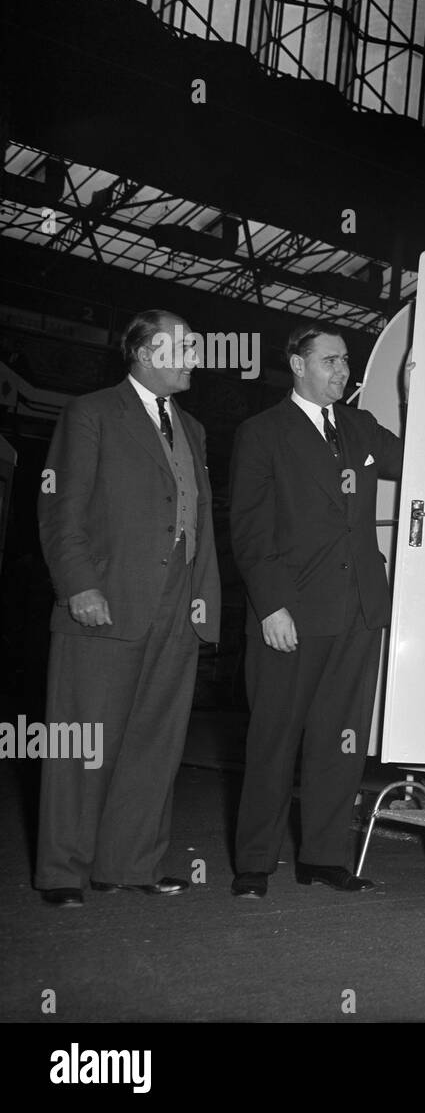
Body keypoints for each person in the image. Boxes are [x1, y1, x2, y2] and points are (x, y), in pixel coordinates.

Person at [36, 311, 221, 907]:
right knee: (83, 740)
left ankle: (130, 864)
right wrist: (79, 587)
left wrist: (203, 601)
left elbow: (200, 524)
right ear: (144, 352)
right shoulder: (89, 413)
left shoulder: (191, 427)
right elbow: (62, 511)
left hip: (178, 604)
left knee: (155, 741)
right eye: (184, 347)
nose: (195, 356)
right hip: (107, 599)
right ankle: (64, 872)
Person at [228, 325, 404, 898]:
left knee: (341, 739)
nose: (343, 371)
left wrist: (412, 389)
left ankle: (324, 857)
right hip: (293, 615)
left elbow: (420, 459)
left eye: (346, 361)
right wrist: (271, 606)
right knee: (273, 740)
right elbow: (251, 531)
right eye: (330, 360)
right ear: (297, 364)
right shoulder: (262, 433)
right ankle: (254, 864)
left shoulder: (361, 428)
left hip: (357, 613)